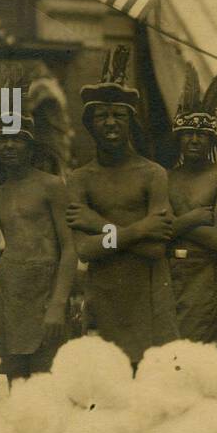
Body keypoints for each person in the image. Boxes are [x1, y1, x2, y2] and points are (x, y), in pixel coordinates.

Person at [66, 46, 179, 365]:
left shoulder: (152, 174)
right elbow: (85, 251)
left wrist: (100, 225)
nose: (111, 123)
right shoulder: (80, 179)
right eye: (102, 115)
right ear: (90, 124)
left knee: (154, 378)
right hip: (105, 294)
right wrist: (139, 229)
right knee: (108, 380)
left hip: (150, 292)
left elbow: (155, 249)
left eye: (119, 115)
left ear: (130, 122)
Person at [0, 115, 77, 377]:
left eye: (16, 139)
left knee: (48, 375)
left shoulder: (51, 186)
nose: (9, 146)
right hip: (10, 292)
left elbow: (69, 248)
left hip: (45, 291)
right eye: (3, 139)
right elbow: (15, 247)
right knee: (14, 375)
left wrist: (58, 304)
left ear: (29, 144)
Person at [166, 65, 217, 343]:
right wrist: (193, 218)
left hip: (203, 274)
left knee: (196, 349)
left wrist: (176, 223)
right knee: (166, 349)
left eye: (202, 135)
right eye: (187, 133)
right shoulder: (166, 177)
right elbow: (159, 230)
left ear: (211, 139)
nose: (194, 139)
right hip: (167, 272)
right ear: (178, 138)